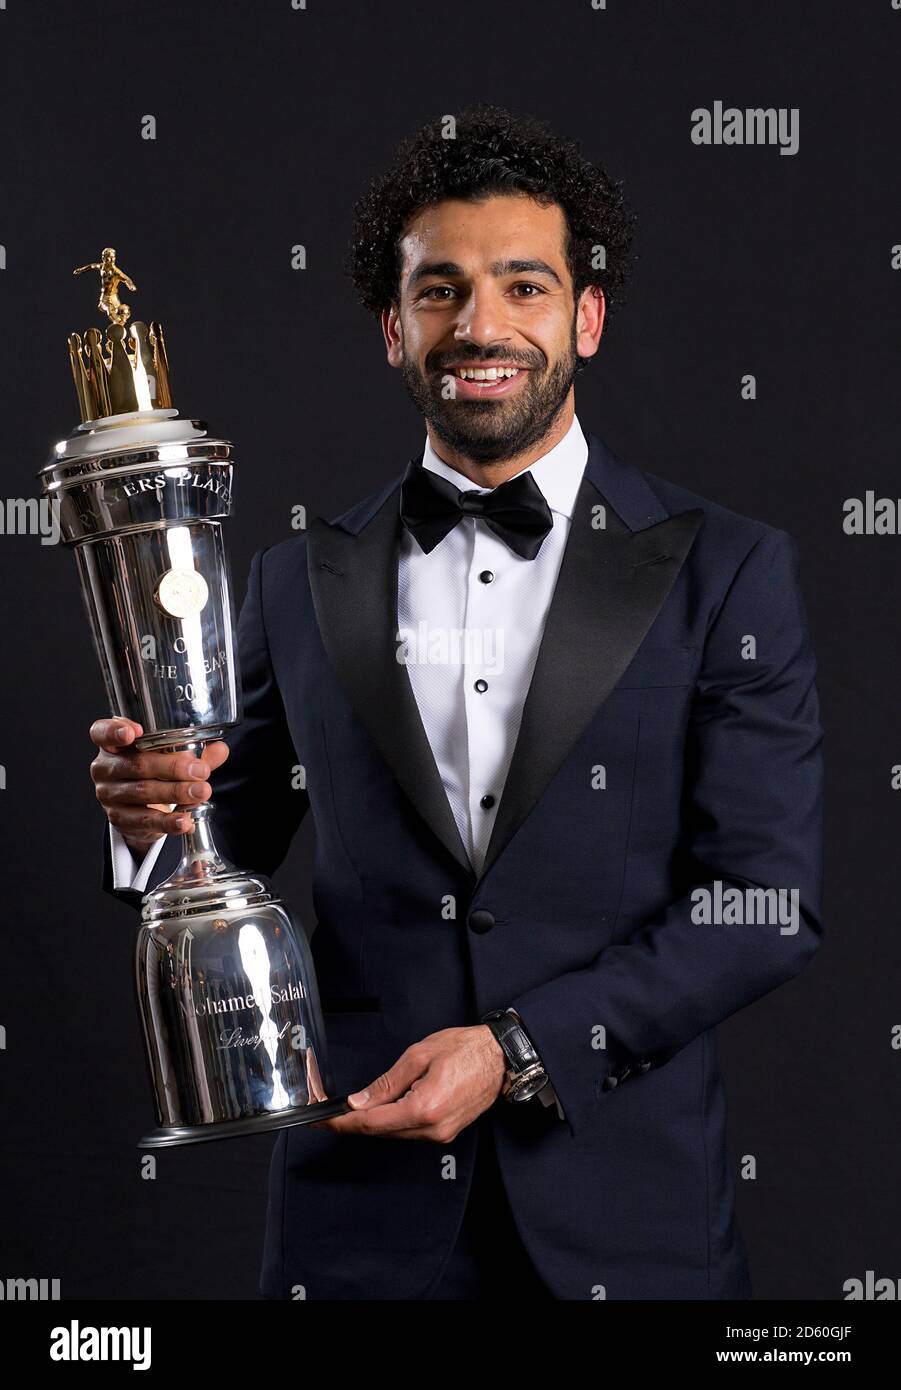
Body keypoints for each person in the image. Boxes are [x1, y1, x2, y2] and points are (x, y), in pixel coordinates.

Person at [90, 105, 824, 1300]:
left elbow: (763, 903)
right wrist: (149, 820)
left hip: (631, 1234)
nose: (481, 326)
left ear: (585, 318)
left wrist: (520, 1052)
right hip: (358, 1226)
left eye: (523, 286)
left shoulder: (726, 570)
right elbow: (226, 838)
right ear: (394, 327)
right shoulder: (292, 577)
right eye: (441, 290)